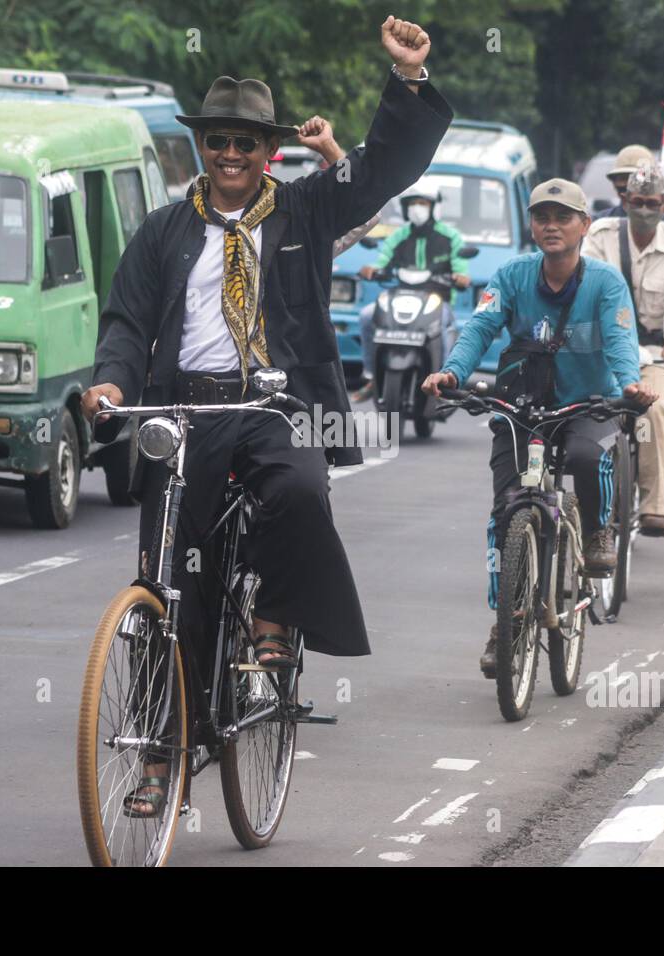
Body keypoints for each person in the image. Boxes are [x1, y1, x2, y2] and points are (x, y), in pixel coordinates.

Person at [82, 16, 451, 817]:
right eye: (220, 141)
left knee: (296, 491)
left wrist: (410, 81)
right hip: (183, 413)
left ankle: (276, 622)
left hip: (279, 404)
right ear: (203, 147)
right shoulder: (162, 231)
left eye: (247, 143)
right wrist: (111, 388)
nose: (232, 156)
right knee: (166, 590)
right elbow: (124, 325)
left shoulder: (307, 211)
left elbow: (387, 167)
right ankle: (158, 759)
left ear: (267, 150)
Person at [419, 178, 654, 678]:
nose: (552, 226)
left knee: (590, 459)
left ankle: (595, 532)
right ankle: (505, 620)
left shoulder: (606, 282)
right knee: (507, 512)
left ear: (584, 226)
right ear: (531, 226)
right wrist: (452, 372)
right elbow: (479, 328)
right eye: (542, 217)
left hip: (585, 406)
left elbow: (619, 339)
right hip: (519, 407)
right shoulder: (511, 275)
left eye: (563, 217)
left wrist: (630, 386)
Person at [580, 162, 664, 537]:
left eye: (652, 203)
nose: (644, 210)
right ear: (625, 201)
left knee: (655, 410)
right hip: (603, 349)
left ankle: (653, 506)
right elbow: (586, 294)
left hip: (654, 352)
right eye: (637, 202)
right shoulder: (599, 236)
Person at [351, 181, 471, 400]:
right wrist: (373, 270)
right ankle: (371, 376)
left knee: (443, 328)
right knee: (367, 316)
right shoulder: (398, 236)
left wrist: (460, 277)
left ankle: (444, 380)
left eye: (422, 203)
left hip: (438, 300)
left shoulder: (450, 237)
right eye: (413, 203)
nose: (417, 208)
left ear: (434, 206)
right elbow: (383, 260)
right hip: (400, 297)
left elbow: (461, 268)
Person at [294, 115, 382, 259]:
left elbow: (361, 204)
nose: (241, 155)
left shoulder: (295, 231)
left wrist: (329, 148)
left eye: (248, 145)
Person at [595, 143, 664, 225]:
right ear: (614, 183)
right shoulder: (601, 223)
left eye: (637, 178)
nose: (629, 184)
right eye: (623, 178)